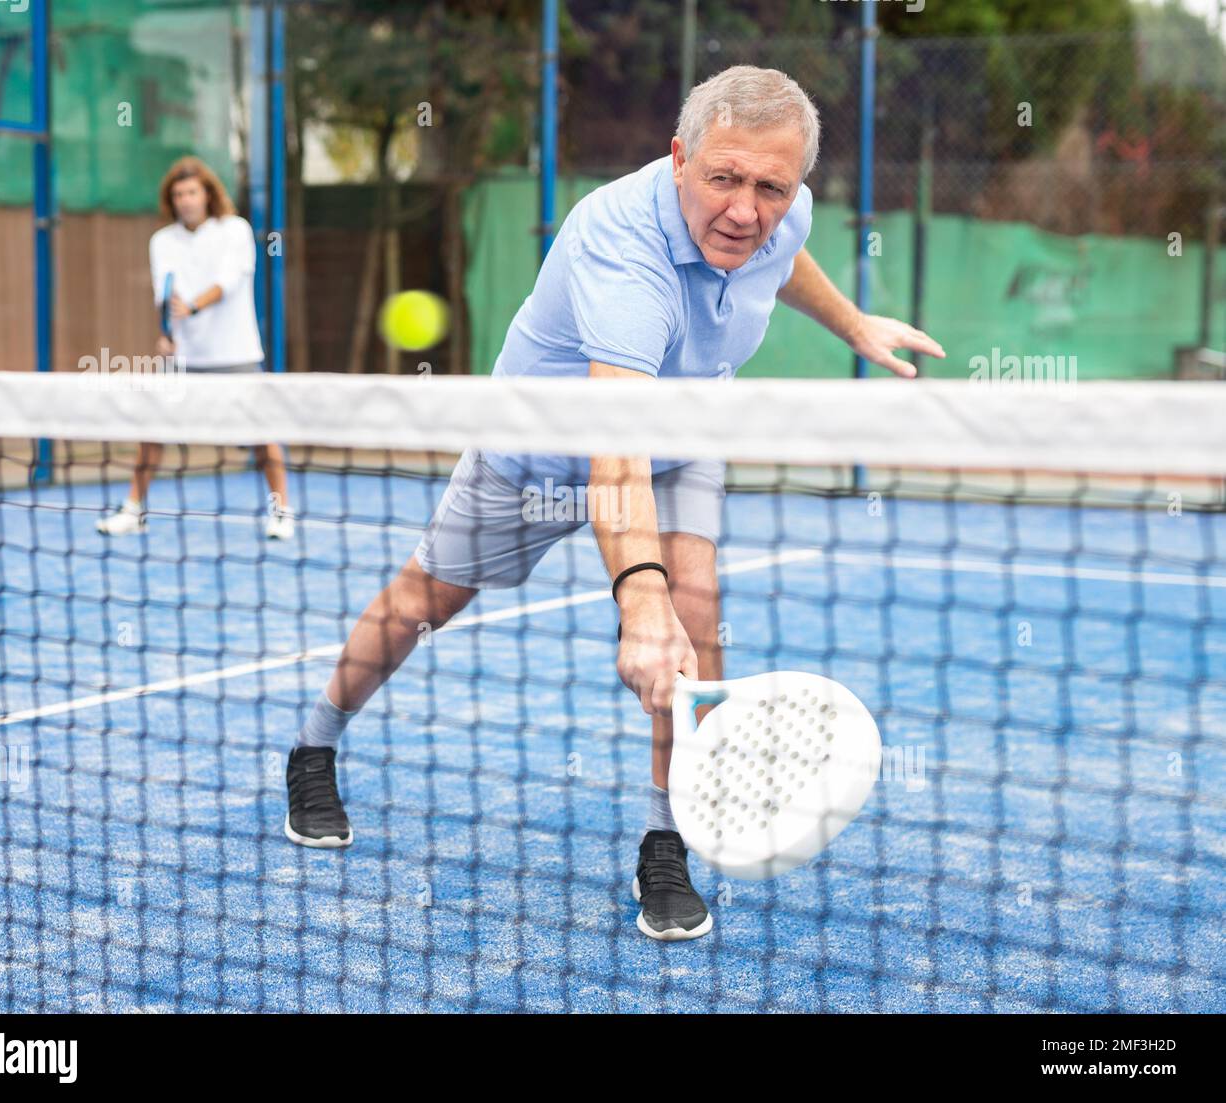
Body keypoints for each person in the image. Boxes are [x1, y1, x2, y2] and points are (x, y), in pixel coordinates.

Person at [283, 66, 945, 940]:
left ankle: (663, 842)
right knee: (424, 603)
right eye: (723, 178)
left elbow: (785, 261)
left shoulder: (778, 213)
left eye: (770, 188)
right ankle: (315, 744)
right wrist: (640, 602)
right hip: (543, 445)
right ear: (679, 158)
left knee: (699, 611)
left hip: (680, 435)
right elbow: (613, 448)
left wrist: (854, 323)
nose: (746, 209)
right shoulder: (621, 246)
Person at [97, 156, 295, 541]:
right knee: (151, 430)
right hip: (183, 358)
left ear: (207, 194)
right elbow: (164, 295)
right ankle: (133, 510)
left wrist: (193, 306)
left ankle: (281, 511)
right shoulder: (162, 241)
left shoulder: (235, 231)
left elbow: (228, 283)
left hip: (236, 353)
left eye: (191, 192)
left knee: (261, 433)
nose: (185, 200)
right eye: (178, 194)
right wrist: (167, 332)